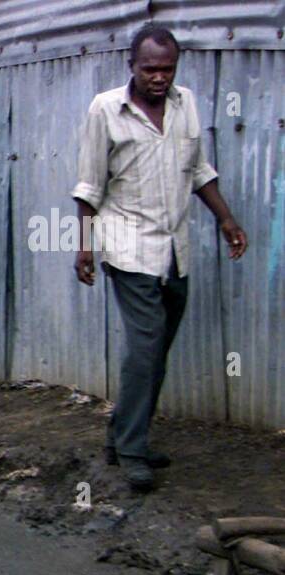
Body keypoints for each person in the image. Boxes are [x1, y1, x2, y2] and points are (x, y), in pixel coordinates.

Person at [71, 23, 247, 492]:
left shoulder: (185, 104)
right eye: (150, 69)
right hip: (128, 248)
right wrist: (84, 245)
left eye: (167, 69)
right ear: (132, 66)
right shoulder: (106, 110)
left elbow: (198, 170)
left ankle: (120, 438)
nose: (159, 78)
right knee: (145, 350)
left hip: (174, 250)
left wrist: (226, 220)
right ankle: (132, 452)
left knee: (157, 352)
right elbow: (88, 186)